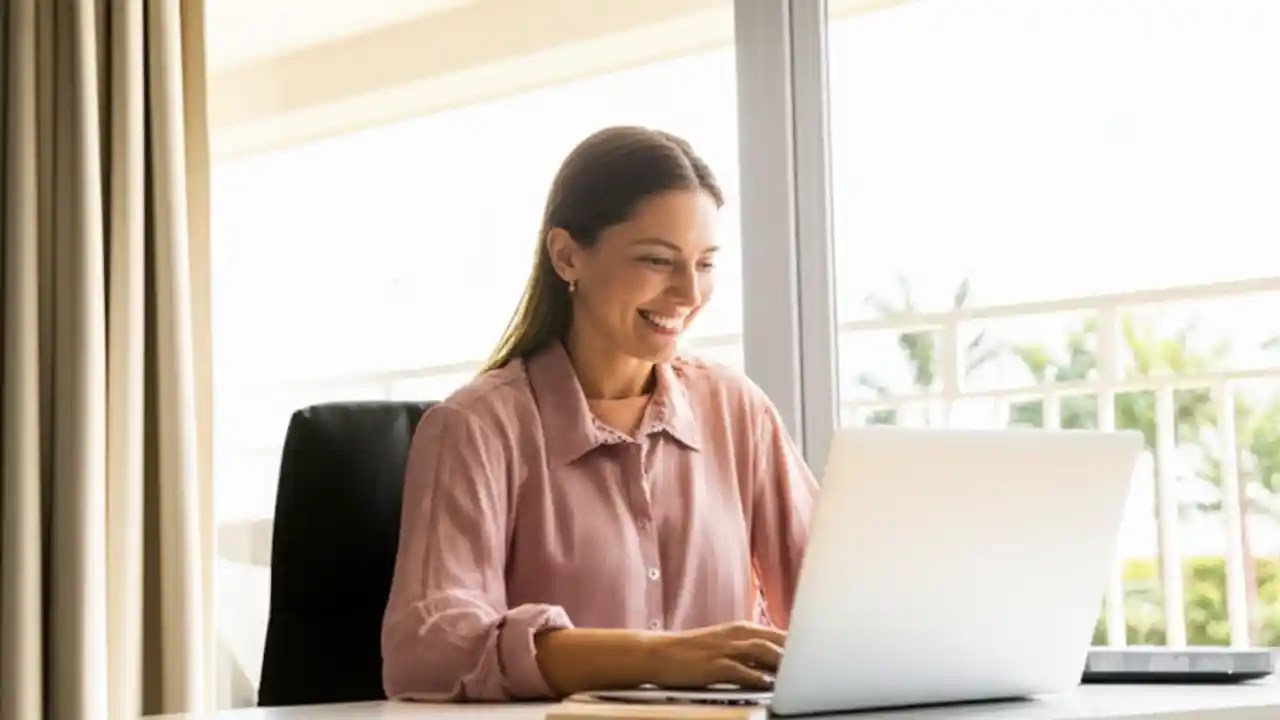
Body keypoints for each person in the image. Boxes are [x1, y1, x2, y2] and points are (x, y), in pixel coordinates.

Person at [380, 126, 818, 702]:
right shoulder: (475, 429)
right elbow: (428, 651)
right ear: (567, 256)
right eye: (657, 260)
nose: (689, 292)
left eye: (705, 264)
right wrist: (661, 658)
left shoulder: (737, 410)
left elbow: (833, 604)